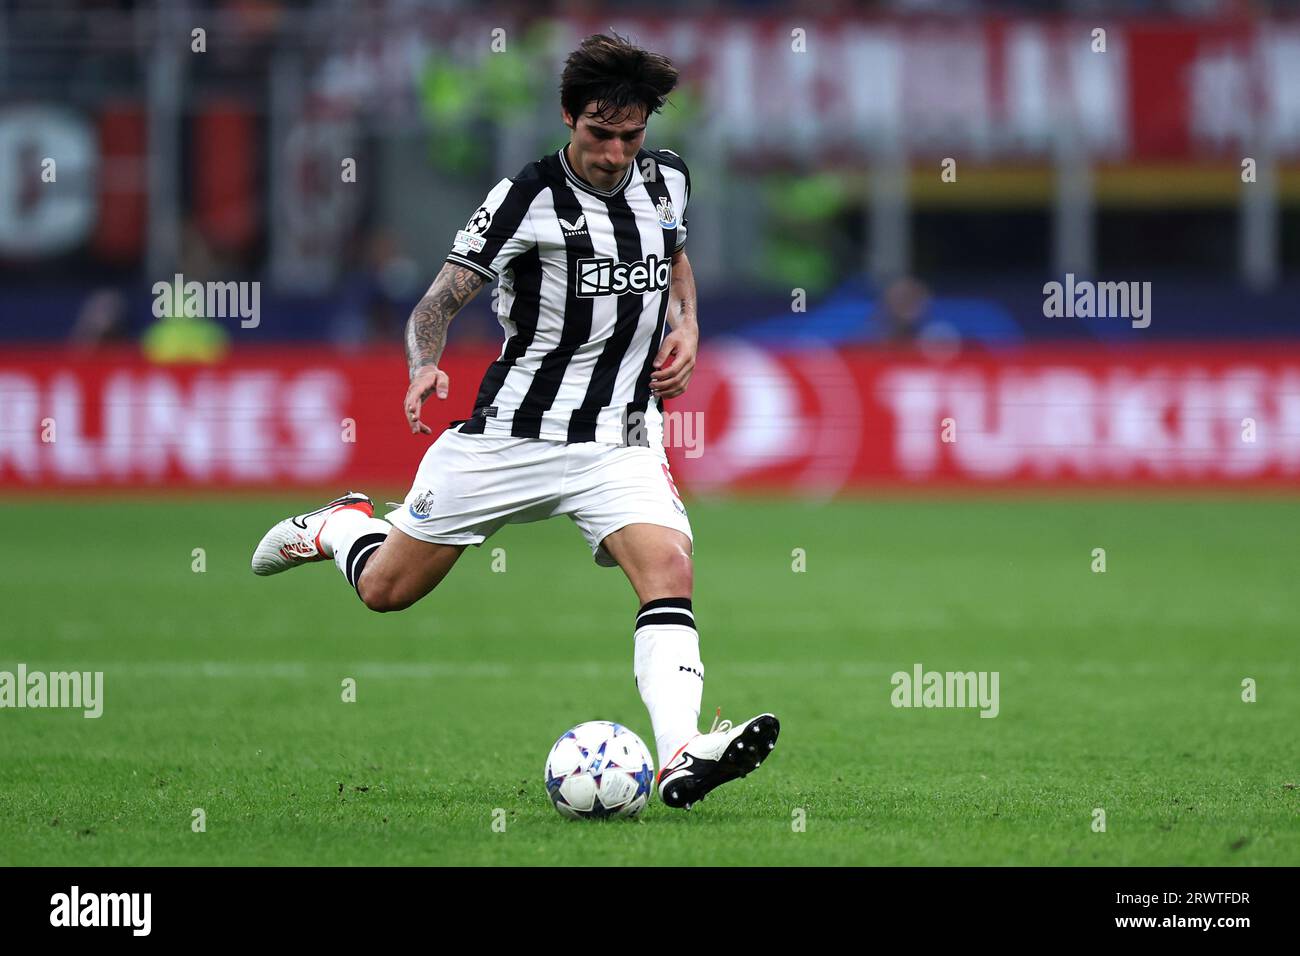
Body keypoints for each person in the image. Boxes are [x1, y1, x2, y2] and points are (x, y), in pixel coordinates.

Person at [251, 33, 778, 811]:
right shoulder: (524, 198)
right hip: (509, 438)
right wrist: (422, 363)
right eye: (599, 134)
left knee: (668, 571)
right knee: (388, 592)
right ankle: (342, 527)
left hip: (618, 438)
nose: (614, 152)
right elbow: (439, 300)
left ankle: (679, 756)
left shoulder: (667, 181)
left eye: (630, 136)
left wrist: (688, 327)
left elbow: (675, 260)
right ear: (569, 117)